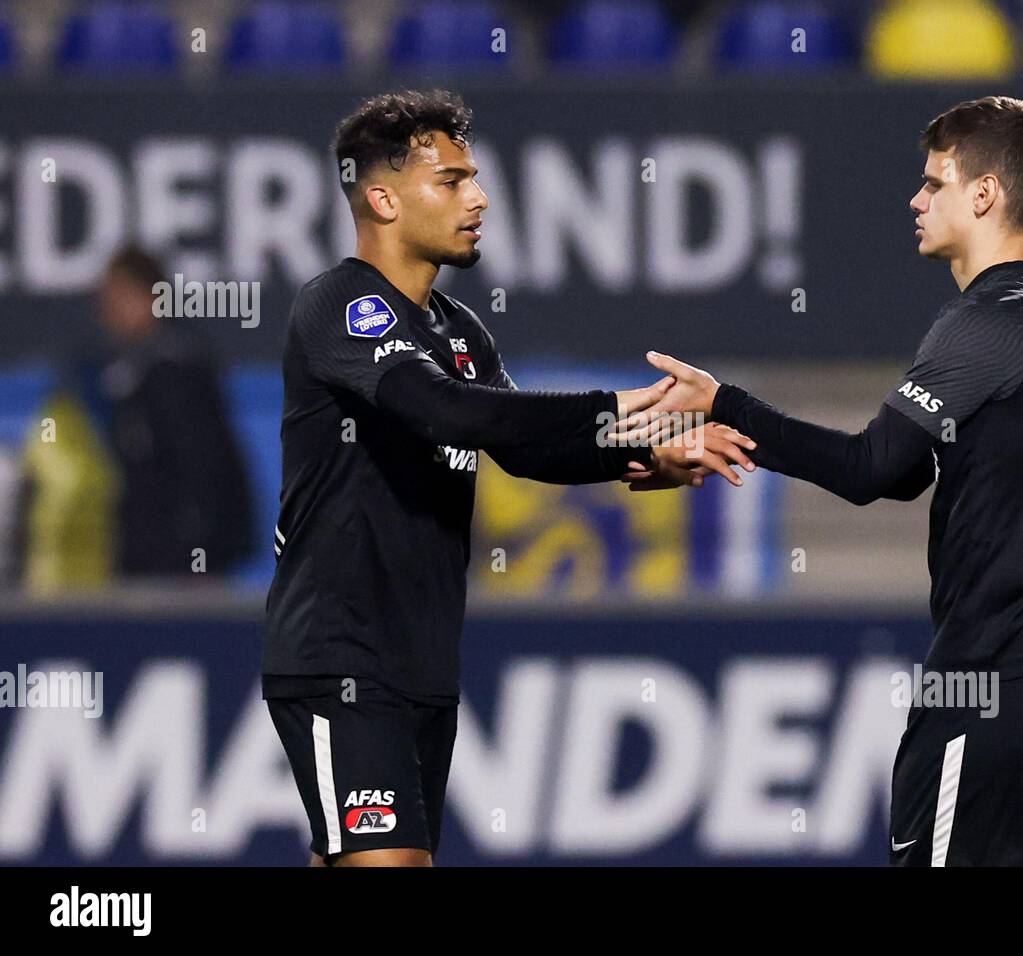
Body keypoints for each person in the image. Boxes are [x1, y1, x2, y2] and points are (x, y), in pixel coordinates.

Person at [262, 89, 756, 867]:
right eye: (453, 181)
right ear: (383, 197)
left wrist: (646, 455)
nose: (480, 198)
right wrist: (629, 400)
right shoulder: (340, 305)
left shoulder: (459, 332)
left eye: (474, 178)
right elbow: (451, 415)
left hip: (423, 662)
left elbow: (523, 445)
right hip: (341, 659)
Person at [634, 96, 1023, 866]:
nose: (916, 200)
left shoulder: (981, 322)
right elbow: (908, 474)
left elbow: (870, 470)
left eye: (935, 183)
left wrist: (725, 403)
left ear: (984, 194)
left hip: (993, 676)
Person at [97, 244, 255, 579]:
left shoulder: (176, 373)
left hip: (181, 567)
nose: (107, 313)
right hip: (151, 563)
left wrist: (197, 554)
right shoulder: (131, 372)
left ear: (147, 297)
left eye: (116, 299)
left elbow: (204, 468)